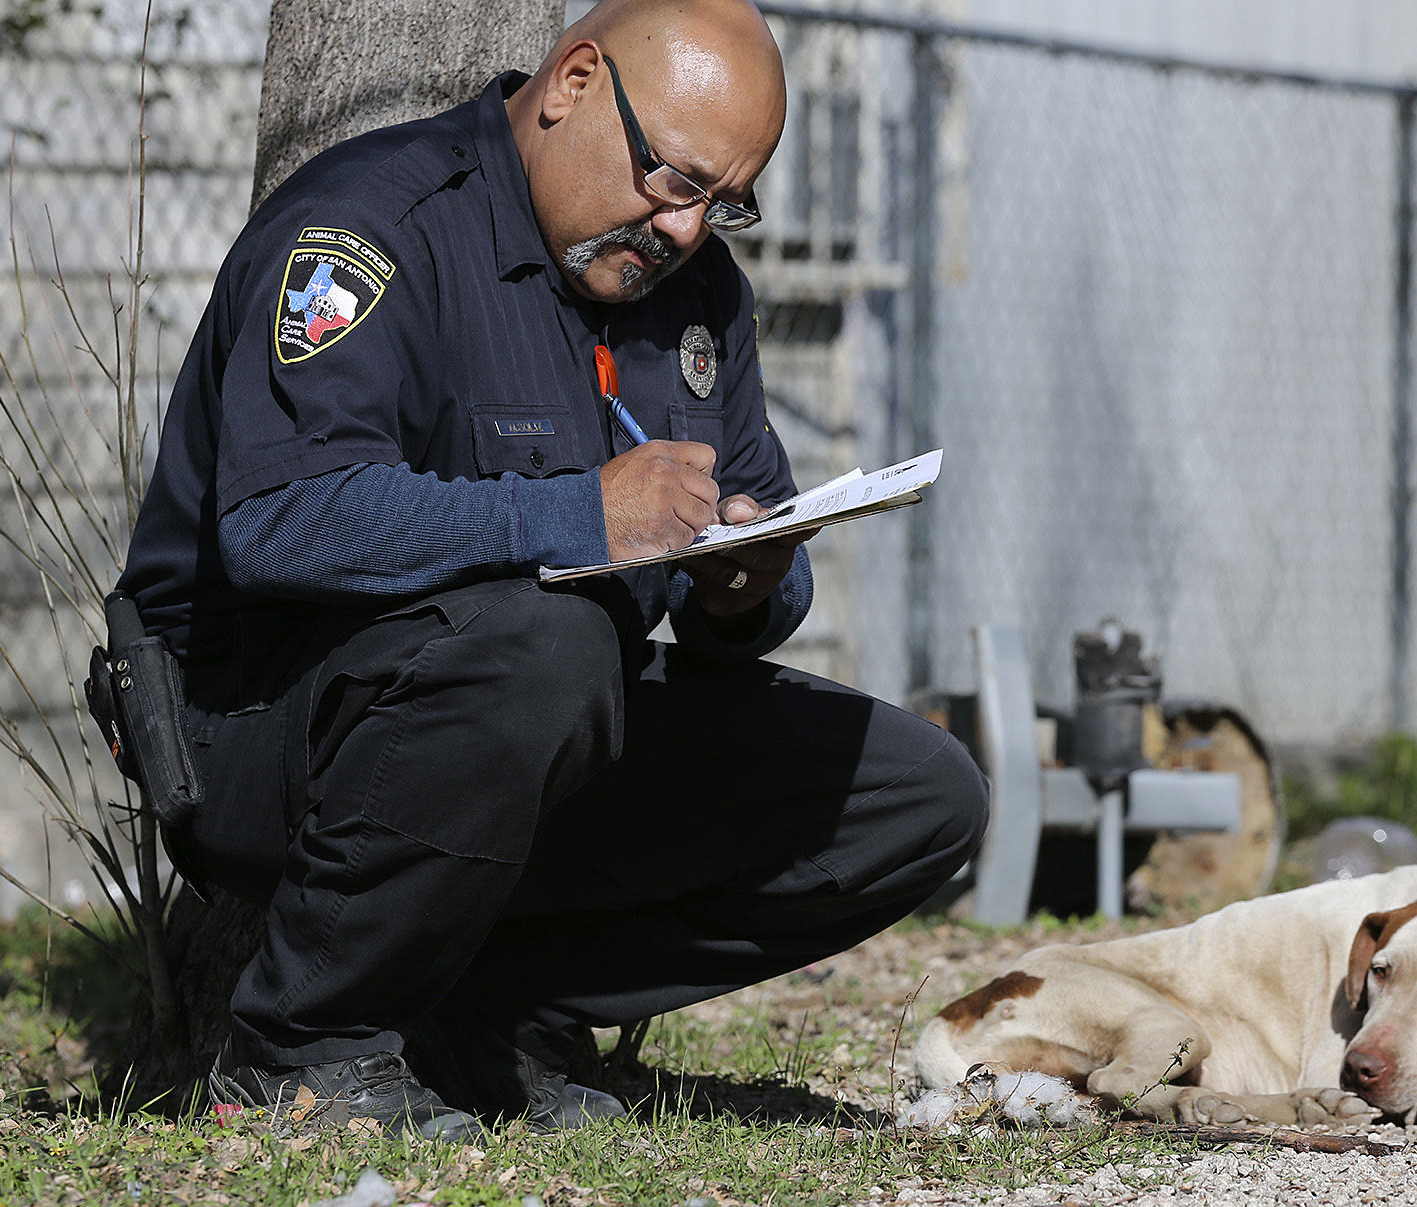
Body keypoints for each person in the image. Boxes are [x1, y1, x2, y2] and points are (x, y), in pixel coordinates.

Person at [115, 0, 988, 1142]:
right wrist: (579, 516)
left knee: (916, 793)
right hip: (263, 722)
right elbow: (281, 518)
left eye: (726, 204)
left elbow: (750, 527)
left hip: (541, 725)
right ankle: (300, 1049)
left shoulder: (699, 299)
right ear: (573, 83)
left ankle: (489, 1014)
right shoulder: (370, 228)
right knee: (547, 650)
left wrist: (744, 586)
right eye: (673, 181)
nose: (685, 229)